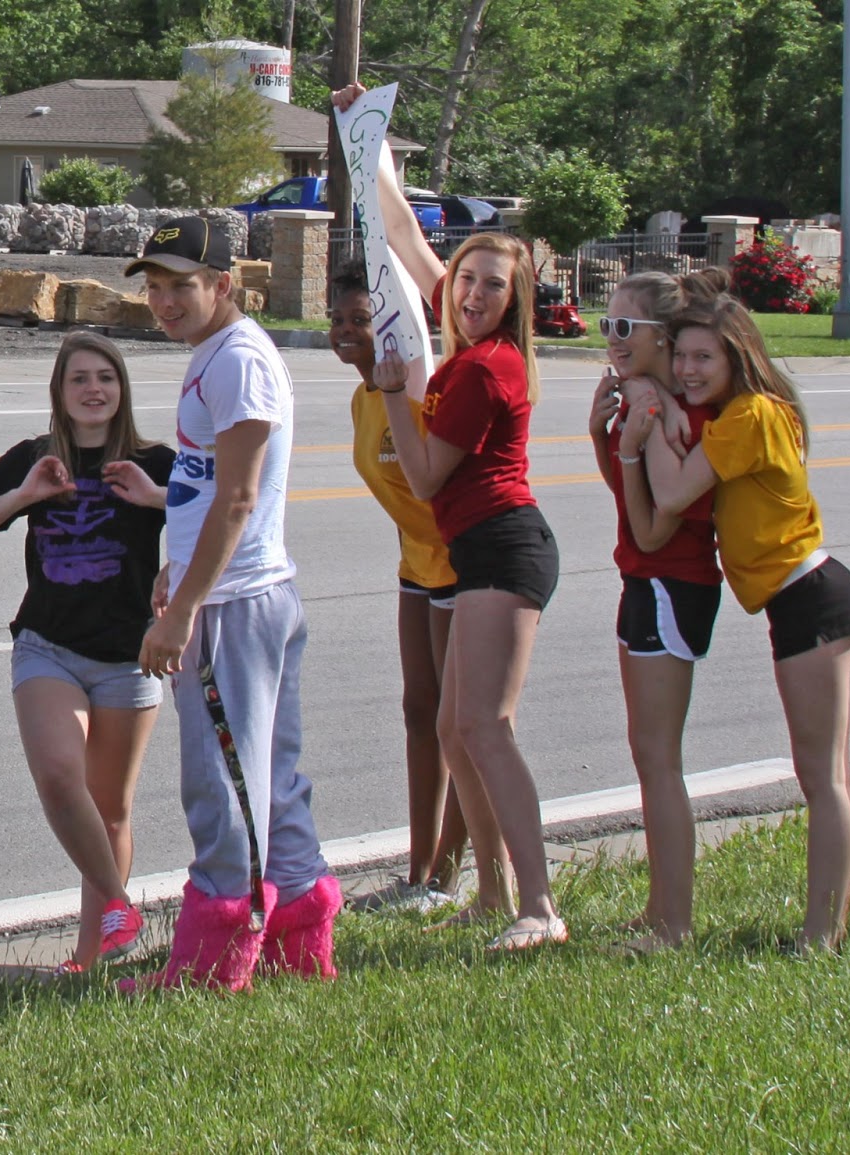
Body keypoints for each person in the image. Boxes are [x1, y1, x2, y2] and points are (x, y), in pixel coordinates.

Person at [333, 82, 560, 951]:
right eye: (464, 277)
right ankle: (494, 897)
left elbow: (426, 477)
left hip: (503, 547)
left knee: (482, 728)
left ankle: (538, 905)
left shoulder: (485, 369)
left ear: (515, 297)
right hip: (476, 551)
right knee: (457, 729)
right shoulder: (463, 339)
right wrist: (368, 139)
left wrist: (394, 394)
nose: (469, 293)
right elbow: (398, 231)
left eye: (491, 285)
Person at [121, 216, 340, 991]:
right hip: (240, 590)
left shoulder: (237, 360)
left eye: (181, 284)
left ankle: (215, 958)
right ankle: (297, 937)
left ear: (223, 284)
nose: (164, 300)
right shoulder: (219, 354)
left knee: (223, 782)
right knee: (269, 777)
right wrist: (174, 566)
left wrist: (183, 609)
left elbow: (240, 497)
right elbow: (206, 483)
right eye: (153, 285)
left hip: (234, 604)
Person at [627, 294, 850, 952]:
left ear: (739, 356)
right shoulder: (745, 414)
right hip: (801, 600)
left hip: (811, 598)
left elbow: (674, 492)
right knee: (824, 774)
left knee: (823, 778)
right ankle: (824, 928)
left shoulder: (754, 415)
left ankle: (822, 936)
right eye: (679, 355)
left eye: (704, 356)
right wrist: (666, 399)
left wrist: (649, 408)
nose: (689, 367)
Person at [0, 332, 173, 974]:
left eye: (106, 377)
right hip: (49, 648)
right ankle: (124, 905)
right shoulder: (35, 458)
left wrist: (157, 501)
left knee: (111, 809)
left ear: (122, 390)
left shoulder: (158, 461)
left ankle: (91, 959)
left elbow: (227, 524)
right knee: (60, 779)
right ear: (60, 393)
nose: (94, 389)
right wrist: (24, 497)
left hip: (130, 657)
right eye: (79, 379)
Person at [586, 271, 726, 951]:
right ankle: (658, 906)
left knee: (658, 756)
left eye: (624, 328)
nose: (611, 339)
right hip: (646, 581)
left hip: (673, 581)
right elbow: (625, 493)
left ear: (661, 338)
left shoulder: (677, 417)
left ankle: (673, 923)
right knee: (648, 754)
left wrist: (635, 439)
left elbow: (653, 529)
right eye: (606, 325)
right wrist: (602, 434)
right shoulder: (644, 402)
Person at [328, 261, 468, 911]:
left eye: (363, 318)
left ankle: (451, 874)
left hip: (465, 563)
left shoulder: (421, 395)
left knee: (460, 722)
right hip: (417, 563)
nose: (346, 329)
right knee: (418, 711)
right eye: (338, 319)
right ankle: (417, 871)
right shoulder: (364, 400)